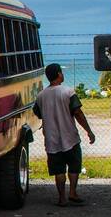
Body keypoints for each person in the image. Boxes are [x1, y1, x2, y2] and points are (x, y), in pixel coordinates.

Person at [34, 63, 96, 206]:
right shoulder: (68, 92)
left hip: (51, 139)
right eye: (61, 72)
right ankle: (73, 192)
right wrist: (89, 131)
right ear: (59, 74)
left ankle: (62, 198)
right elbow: (78, 113)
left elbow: (38, 113)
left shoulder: (41, 96)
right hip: (70, 137)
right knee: (74, 165)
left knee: (58, 169)